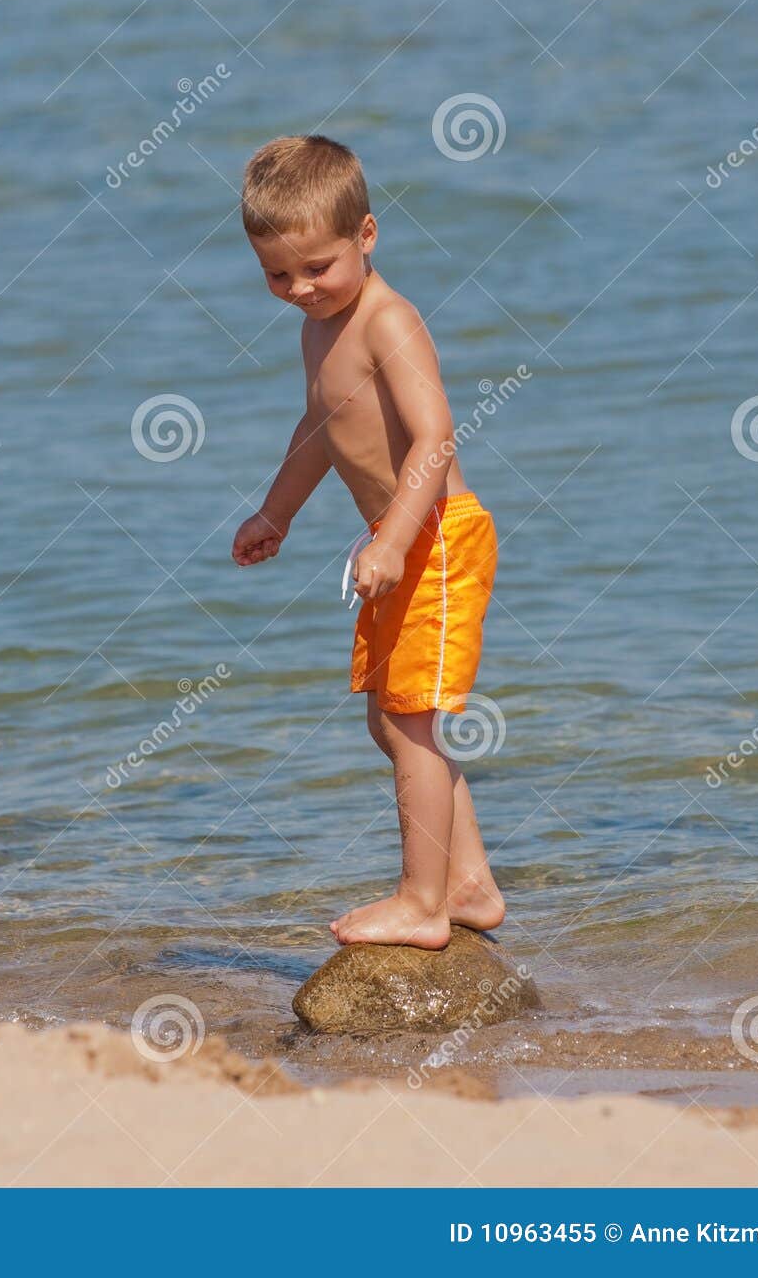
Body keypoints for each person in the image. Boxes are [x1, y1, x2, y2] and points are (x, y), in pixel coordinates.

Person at [230, 134, 501, 949]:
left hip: (438, 536)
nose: (301, 288)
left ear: (367, 236)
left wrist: (393, 544)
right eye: (279, 273)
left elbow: (435, 438)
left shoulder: (389, 320)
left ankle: (423, 902)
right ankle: (470, 883)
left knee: (412, 720)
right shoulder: (318, 331)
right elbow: (320, 431)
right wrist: (274, 512)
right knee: (388, 722)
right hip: (395, 538)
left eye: (318, 267)